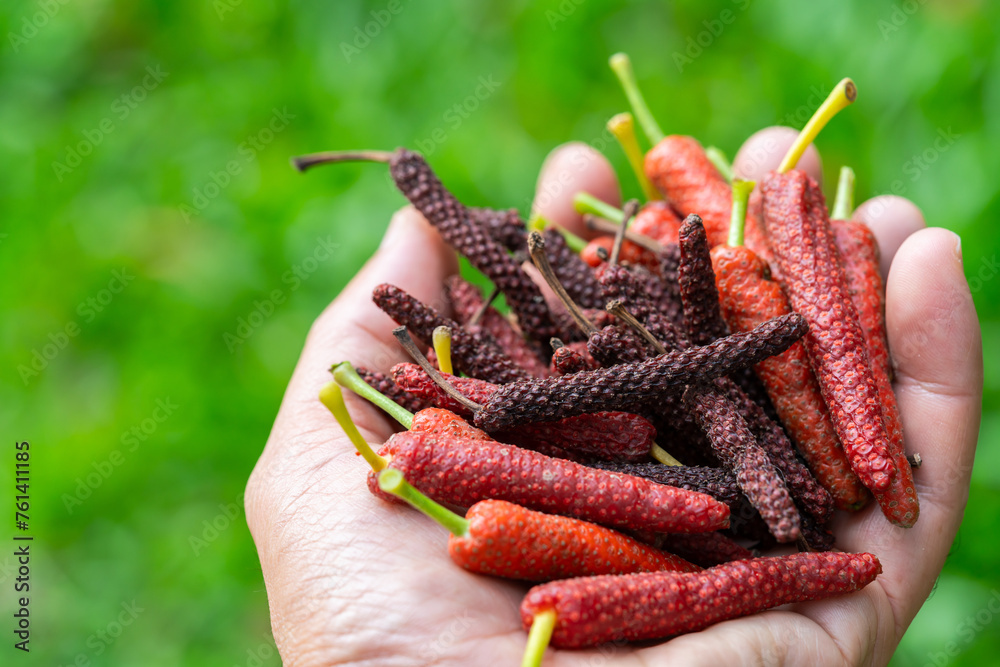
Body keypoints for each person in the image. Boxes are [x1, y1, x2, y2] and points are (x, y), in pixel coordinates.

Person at [245, 128, 983, 666]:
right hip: (693, 502)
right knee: (633, 441)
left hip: (721, 491)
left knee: (653, 430)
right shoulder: (516, 424)